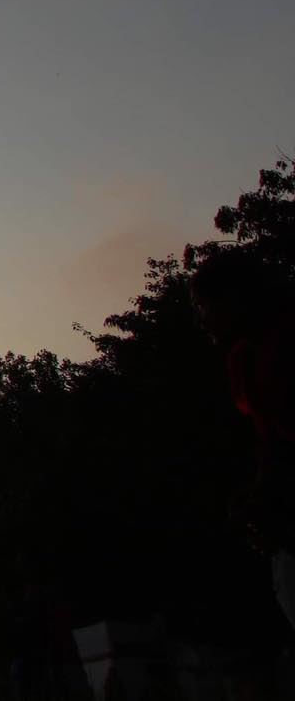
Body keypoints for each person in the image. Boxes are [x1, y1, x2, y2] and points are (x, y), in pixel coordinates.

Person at [191, 246, 295, 632]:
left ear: (234, 300)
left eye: (204, 306)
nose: (202, 319)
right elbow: (272, 442)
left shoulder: (278, 348)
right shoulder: (245, 358)